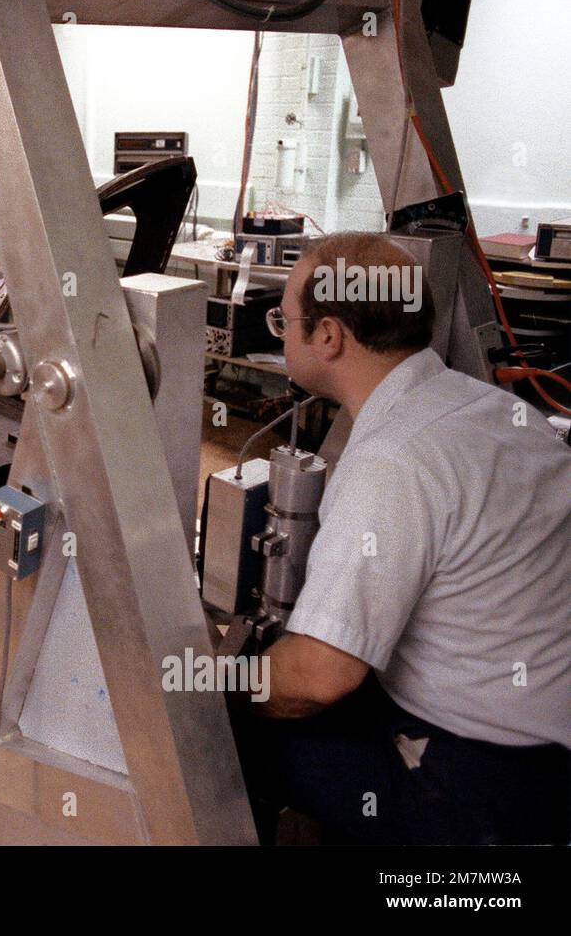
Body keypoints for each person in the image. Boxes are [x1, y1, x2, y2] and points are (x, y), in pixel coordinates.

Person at [239, 231, 570, 844]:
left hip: (489, 782)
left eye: (283, 321)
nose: (279, 334)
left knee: (226, 731)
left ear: (330, 336)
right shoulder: (494, 409)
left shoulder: (393, 461)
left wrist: (226, 682)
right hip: (547, 735)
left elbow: (319, 675)